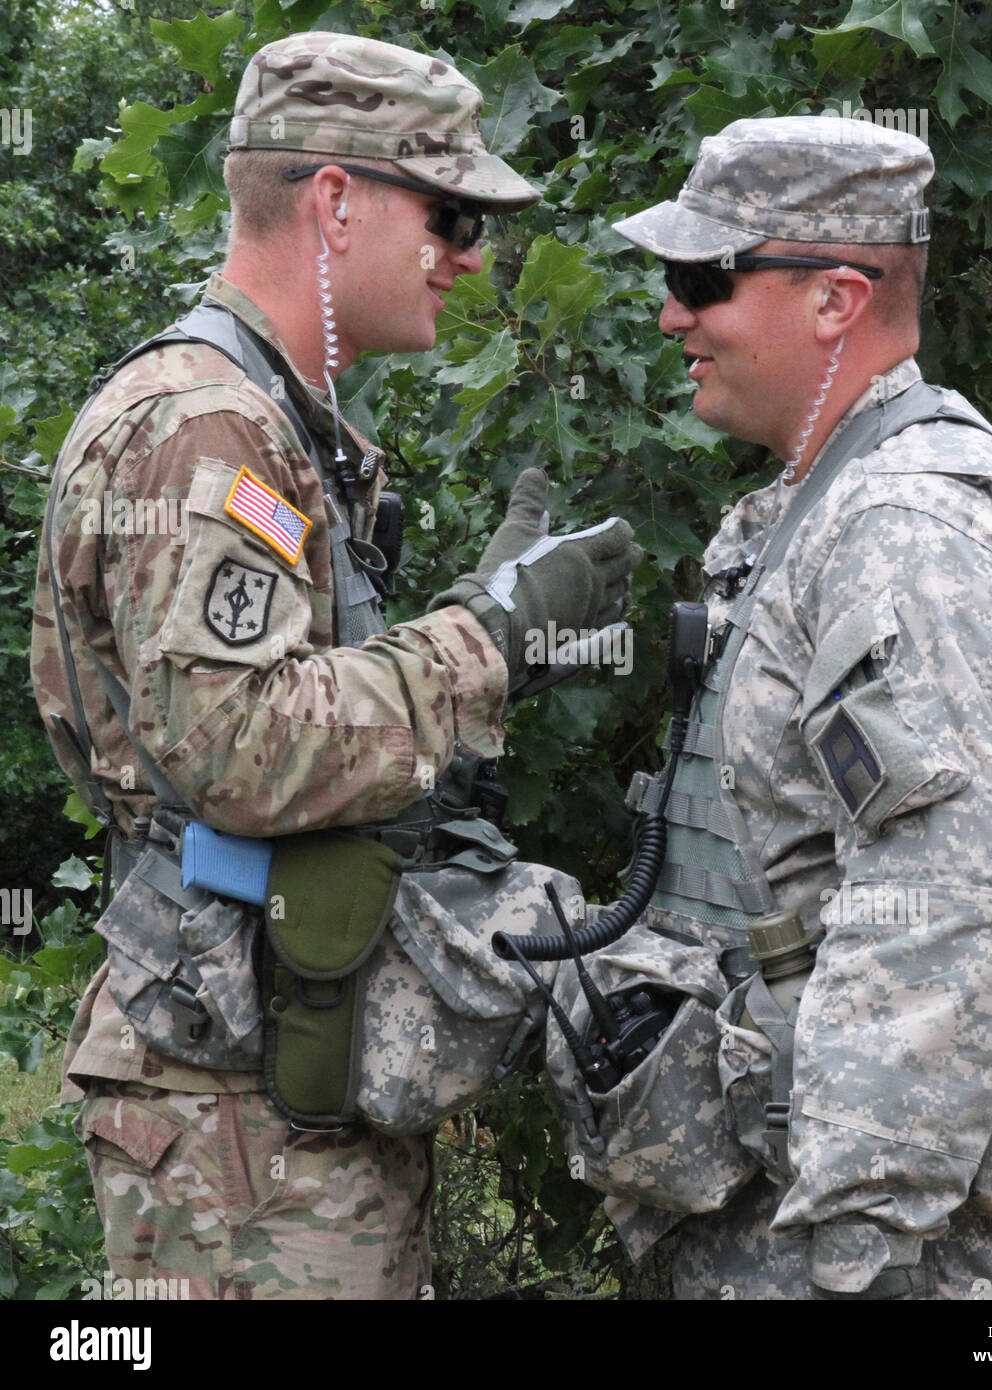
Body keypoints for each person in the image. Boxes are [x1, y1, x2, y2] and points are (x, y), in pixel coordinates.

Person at [30, 32, 637, 1301]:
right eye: (452, 213)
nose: (471, 256)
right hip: (233, 1115)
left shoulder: (267, 416)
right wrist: (487, 635)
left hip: (269, 1068)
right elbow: (237, 750)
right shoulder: (212, 428)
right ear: (337, 200)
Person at [606, 114, 992, 1299]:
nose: (670, 315)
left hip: (903, 1244)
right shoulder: (820, 505)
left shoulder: (912, 528)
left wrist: (857, 1243)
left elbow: (940, 908)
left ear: (836, 300)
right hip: (804, 1189)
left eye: (703, 278)